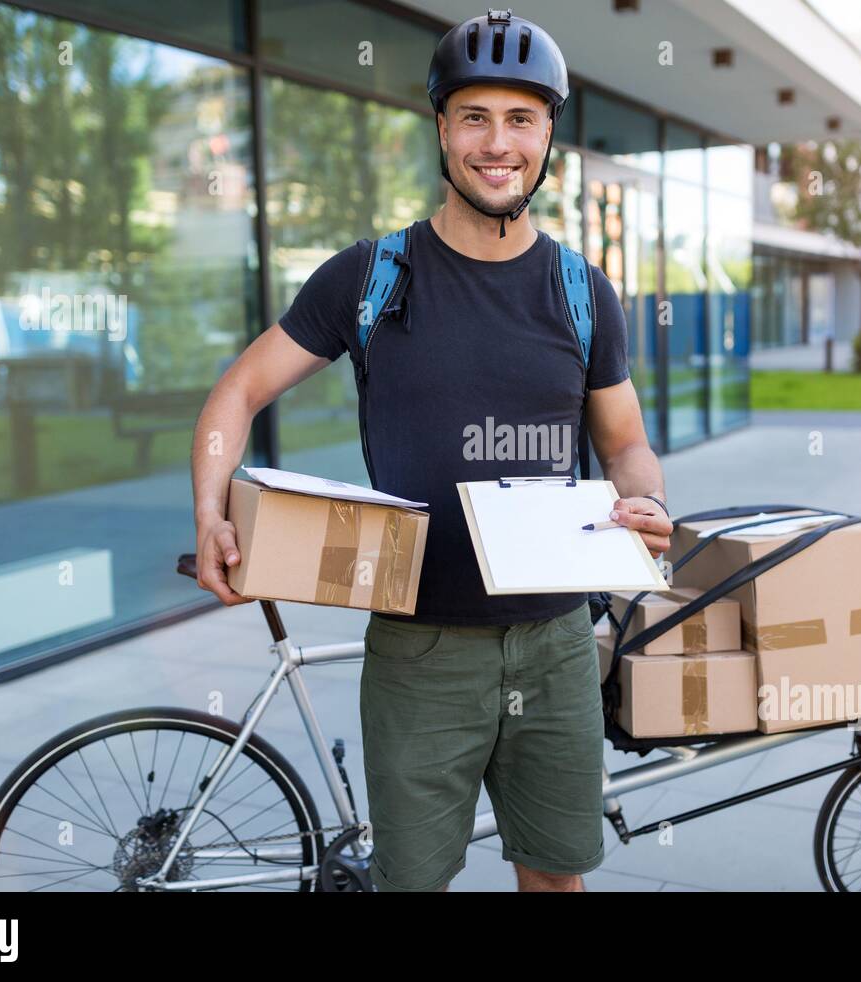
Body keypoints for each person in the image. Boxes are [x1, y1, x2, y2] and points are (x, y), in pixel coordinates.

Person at [190, 8, 672, 893]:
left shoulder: (581, 291)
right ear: (443, 128)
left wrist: (647, 503)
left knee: (557, 877)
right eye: (476, 116)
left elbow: (628, 444)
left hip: (558, 643)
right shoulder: (371, 277)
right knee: (413, 884)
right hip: (420, 652)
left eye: (521, 118)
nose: (499, 142)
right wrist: (212, 512)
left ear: (547, 133)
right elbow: (238, 393)